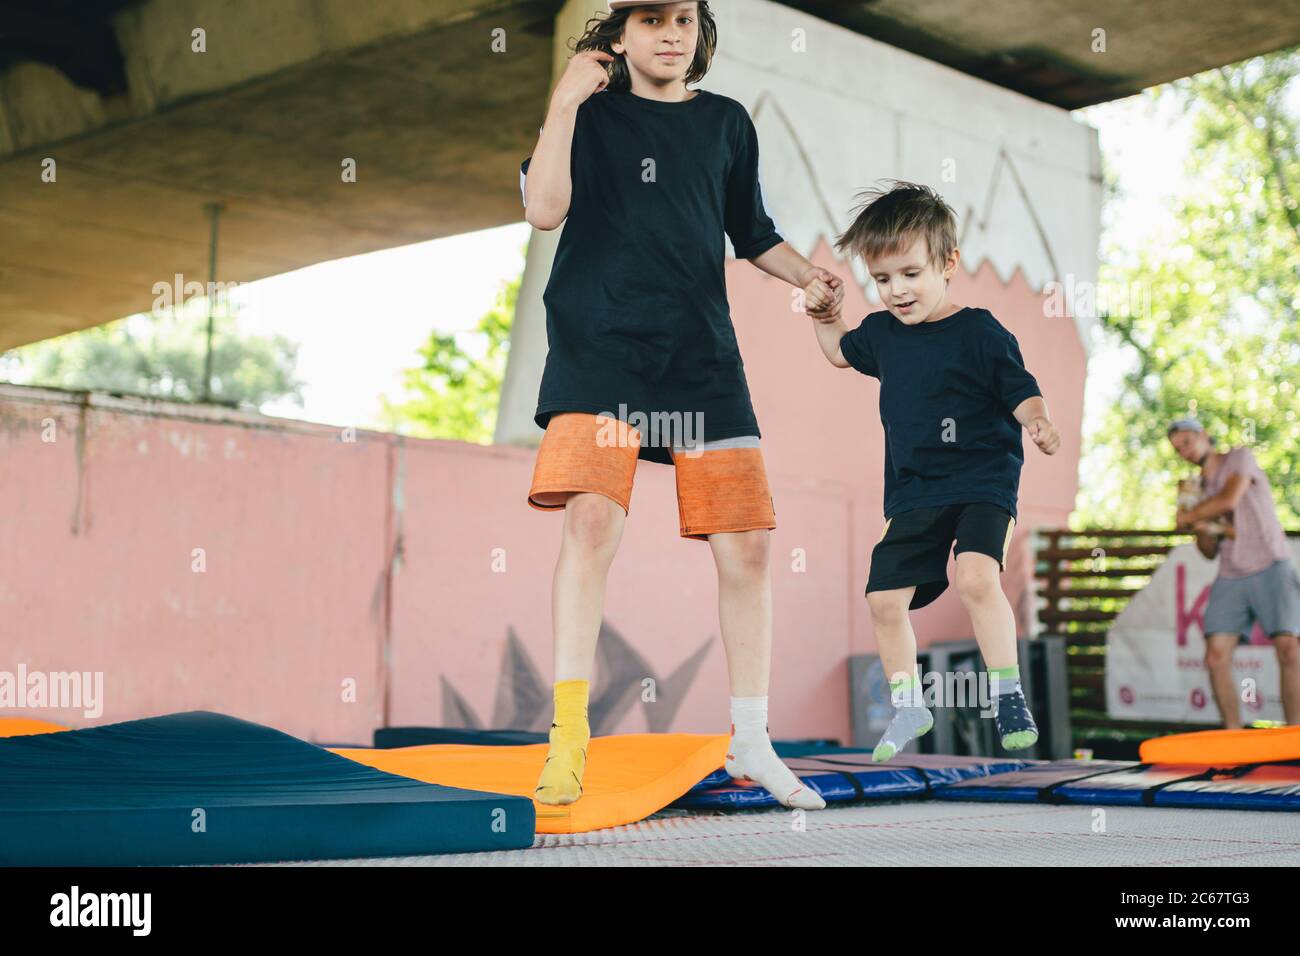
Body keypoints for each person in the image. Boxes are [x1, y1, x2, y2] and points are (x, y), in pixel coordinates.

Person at [519, 0, 844, 808]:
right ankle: (567, 739)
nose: (672, 34)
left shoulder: (729, 122)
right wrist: (563, 103)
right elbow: (543, 209)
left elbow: (751, 229)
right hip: (601, 348)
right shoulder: (587, 117)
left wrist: (811, 278)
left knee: (749, 548)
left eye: (685, 21)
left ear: (700, 34)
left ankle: (752, 739)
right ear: (620, 33)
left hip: (699, 357)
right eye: (653, 19)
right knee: (593, 522)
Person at [809, 182, 1060, 759]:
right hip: (914, 492)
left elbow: (1021, 389)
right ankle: (907, 706)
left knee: (976, 578)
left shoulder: (980, 331)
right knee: (882, 600)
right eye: (882, 279)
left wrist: (1038, 421)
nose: (896, 290)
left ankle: (1008, 693)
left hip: (981, 480)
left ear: (948, 263)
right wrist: (825, 317)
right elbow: (839, 350)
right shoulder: (881, 333)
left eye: (910, 274)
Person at [1169, 418, 1300, 725]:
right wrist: (1199, 526)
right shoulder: (1196, 488)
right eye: (1177, 449)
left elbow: (1228, 499)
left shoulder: (1239, 457)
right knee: (1215, 656)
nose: (1183, 452)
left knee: (1290, 650)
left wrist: (1187, 516)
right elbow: (1208, 550)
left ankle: (1295, 736)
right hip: (1231, 572)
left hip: (1270, 562)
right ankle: (1233, 737)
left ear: (1204, 435)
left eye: (1187, 442)